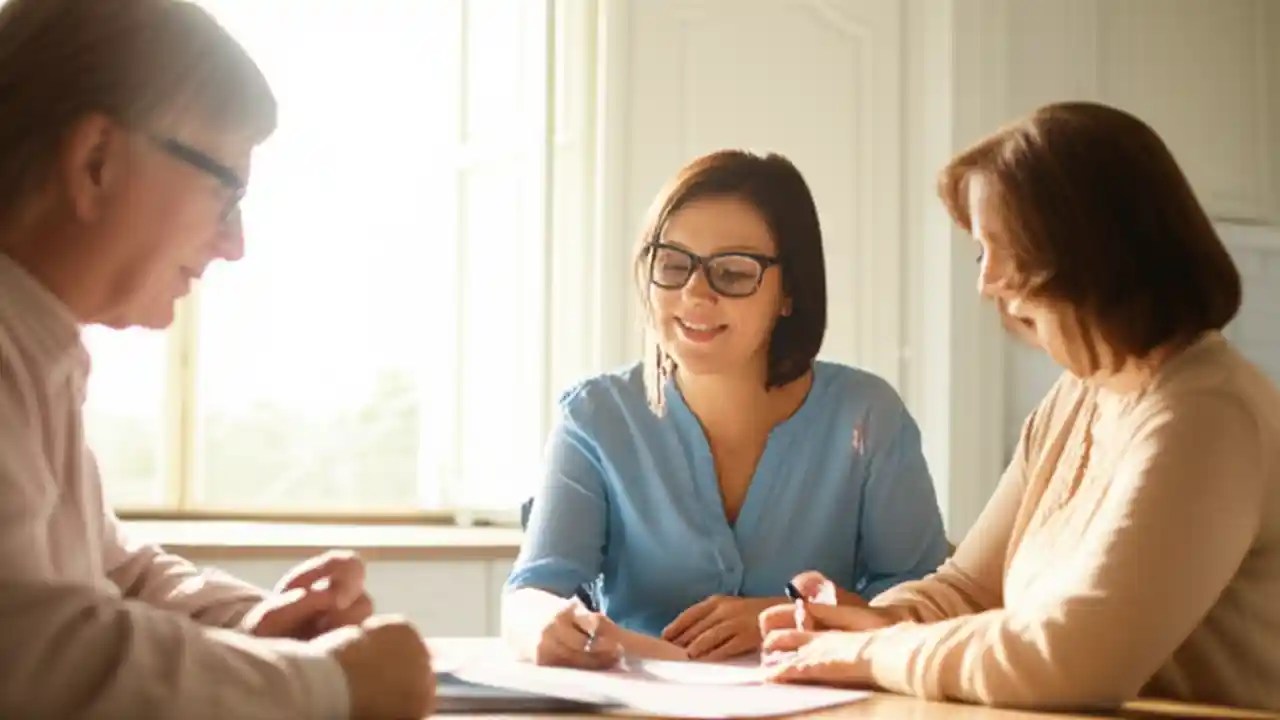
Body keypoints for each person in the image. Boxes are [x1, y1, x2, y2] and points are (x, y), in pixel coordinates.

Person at [759, 102, 1280, 712]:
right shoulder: (1079, 394)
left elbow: (1072, 661)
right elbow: (969, 588)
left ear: (1089, 244)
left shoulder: (1207, 415)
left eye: (999, 248)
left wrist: (874, 652)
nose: (986, 283)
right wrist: (853, 623)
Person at [0, 1, 433, 717]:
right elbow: (24, 646)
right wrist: (329, 685)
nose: (234, 244)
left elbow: (112, 572)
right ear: (96, 162)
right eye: (225, 191)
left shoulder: (35, 348)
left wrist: (251, 628)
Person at [502, 149, 949, 668]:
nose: (694, 293)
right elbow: (533, 591)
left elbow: (924, 605)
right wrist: (542, 624)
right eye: (671, 265)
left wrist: (786, 616)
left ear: (789, 293)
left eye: (733, 273)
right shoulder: (595, 418)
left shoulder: (867, 416)